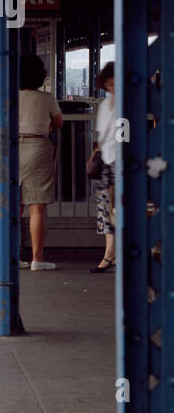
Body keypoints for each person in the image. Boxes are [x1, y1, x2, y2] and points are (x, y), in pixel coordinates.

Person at [18, 52, 63, 269]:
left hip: (11, 148)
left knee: (12, 206)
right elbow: (59, 122)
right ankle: (37, 259)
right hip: (37, 147)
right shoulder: (47, 98)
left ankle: (12, 256)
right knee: (37, 208)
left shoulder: (8, 97)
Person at [89, 62, 117, 273]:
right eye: (108, 85)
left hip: (124, 162)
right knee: (107, 208)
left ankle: (112, 255)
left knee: (118, 208)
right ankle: (110, 254)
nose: (111, 88)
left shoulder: (132, 103)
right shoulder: (105, 105)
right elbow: (100, 136)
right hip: (107, 159)